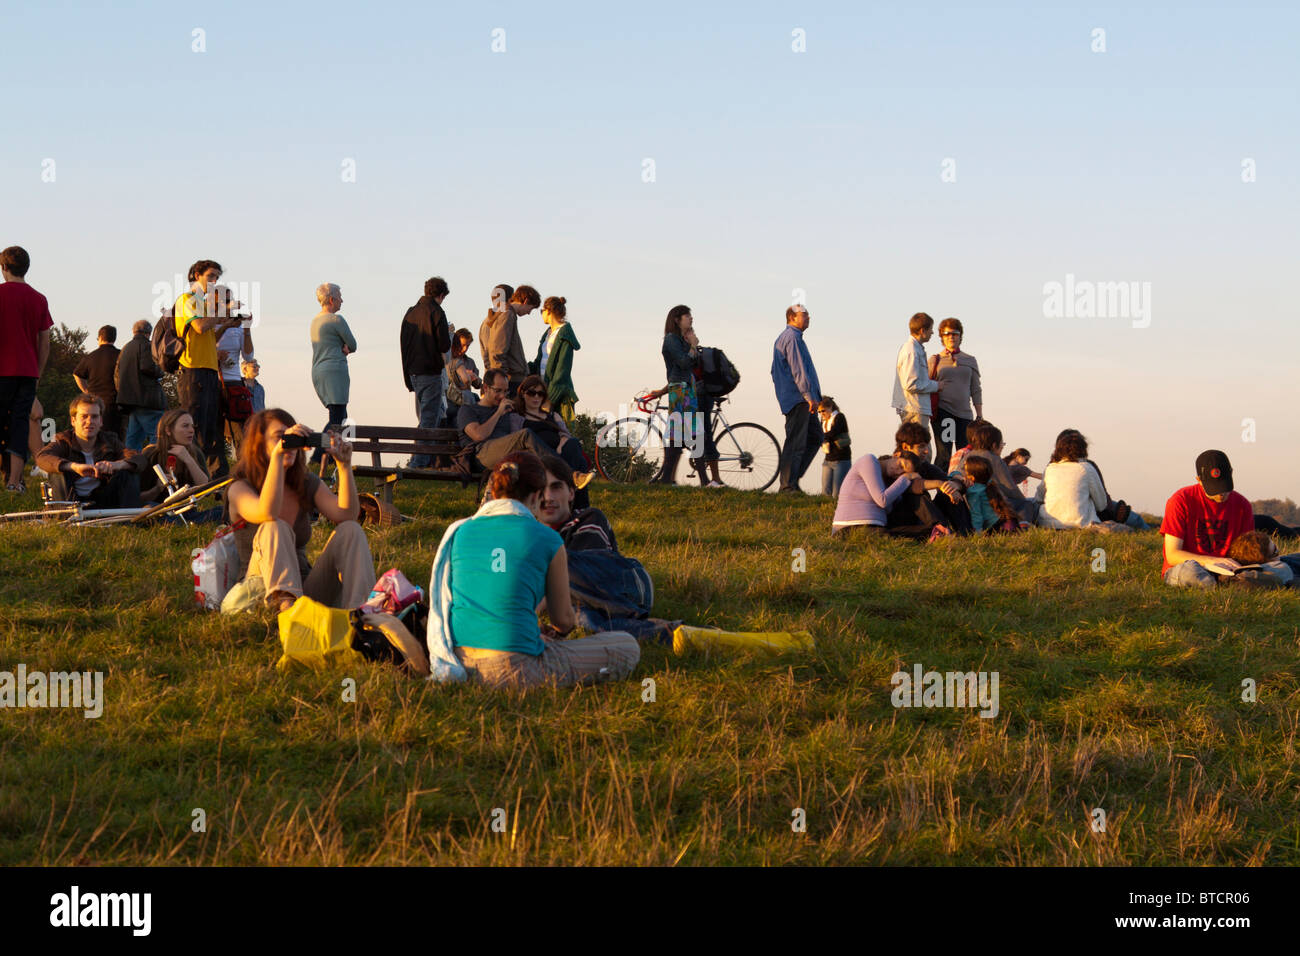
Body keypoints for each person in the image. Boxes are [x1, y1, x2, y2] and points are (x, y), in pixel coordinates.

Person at [432, 450, 640, 689]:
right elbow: (563, 620)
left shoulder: (460, 531)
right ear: (536, 495)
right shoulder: (546, 539)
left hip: (460, 661)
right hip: (513, 668)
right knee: (626, 646)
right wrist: (555, 632)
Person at [226, 409, 377, 613]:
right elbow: (267, 512)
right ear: (259, 445)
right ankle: (290, 617)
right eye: (281, 438)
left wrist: (344, 466)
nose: (289, 444)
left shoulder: (305, 483)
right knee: (275, 526)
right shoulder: (240, 488)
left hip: (305, 588)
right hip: (259, 591)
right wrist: (278, 458)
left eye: (293, 437)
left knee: (351, 530)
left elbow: (346, 515)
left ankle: (361, 615)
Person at [536, 454, 679, 644]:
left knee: (554, 561)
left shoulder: (588, 518)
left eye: (556, 487)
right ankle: (673, 633)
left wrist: (527, 614)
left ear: (571, 493)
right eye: (540, 490)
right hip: (580, 603)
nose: (548, 497)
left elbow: (576, 573)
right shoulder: (532, 536)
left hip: (624, 588)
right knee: (584, 623)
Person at [175, 259, 245, 478]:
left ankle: (213, 479)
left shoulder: (203, 304)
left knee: (209, 430)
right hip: (193, 370)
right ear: (197, 275)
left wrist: (226, 324)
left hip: (207, 371)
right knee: (192, 428)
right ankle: (186, 477)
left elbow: (208, 337)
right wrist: (224, 311)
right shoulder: (188, 299)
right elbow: (199, 325)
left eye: (217, 277)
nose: (214, 281)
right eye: (211, 276)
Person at [1159, 450, 1256, 589]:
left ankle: (1225, 582)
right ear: (1199, 480)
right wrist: (1210, 561)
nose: (1221, 493)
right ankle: (1225, 584)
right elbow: (1172, 555)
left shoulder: (1242, 505)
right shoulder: (1180, 500)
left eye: (1224, 486)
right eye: (1214, 488)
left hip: (1228, 570)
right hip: (1189, 567)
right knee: (1190, 573)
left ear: (1231, 473)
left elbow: (1247, 552)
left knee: (1281, 565)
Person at [0, 245, 53, 493]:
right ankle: (14, 483)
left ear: (4, 268)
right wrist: (38, 373)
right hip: (28, 371)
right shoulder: (39, 299)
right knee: (20, 425)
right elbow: (45, 341)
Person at [36, 393, 142, 507]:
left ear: (101, 421)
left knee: (128, 471)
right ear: (73, 421)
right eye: (84, 416)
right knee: (57, 473)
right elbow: (42, 457)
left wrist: (116, 465)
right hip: (70, 499)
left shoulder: (110, 440)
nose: (89, 421)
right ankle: (66, 517)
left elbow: (138, 458)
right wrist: (73, 467)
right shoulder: (62, 440)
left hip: (103, 499)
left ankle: (127, 519)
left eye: (94, 416)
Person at [515, 373, 594, 507]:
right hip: (538, 456)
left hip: (560, 453)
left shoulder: (553, 415)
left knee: (573, 443)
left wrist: (561, 443)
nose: (536, 397)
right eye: (531, 393)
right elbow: (516, 439)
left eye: (540, 394)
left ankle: (573, 491)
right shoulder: (516, 417)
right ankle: (579, 505)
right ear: (523, 393)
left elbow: (565, 434)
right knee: (580, 461)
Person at [647, 305, 706, 486]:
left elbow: (692, 364)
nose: (691, 319)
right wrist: (693, 347)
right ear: (677, 319)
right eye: (687, 316)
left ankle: (668, 479)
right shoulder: (671, 339)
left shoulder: (680, 340)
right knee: (687, 435)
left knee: (685, 435)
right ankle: (703, 480)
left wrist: (692, 345)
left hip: (687, 389)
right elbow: (682, 363)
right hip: (680, 390)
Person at [879, 421, 971, 536]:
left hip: (922, 517)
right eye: (921, 446)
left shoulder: (924, 466)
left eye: (926, 445)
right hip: (898, 519)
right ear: (905, 447)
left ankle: (966, 533)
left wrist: (955, 485)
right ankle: (940, 530)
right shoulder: (892, 466)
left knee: (947, 493)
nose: (926, 451)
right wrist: (939, 484)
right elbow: (913, 486)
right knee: (915, 492)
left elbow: (946, 480)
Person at [400, 276, 452, 468]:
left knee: (429, 417)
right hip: (430, 372)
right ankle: (418, 463)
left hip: (413, 371)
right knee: (430, 419)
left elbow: (404, 345)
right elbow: (444, 344)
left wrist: (407, 376)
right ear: (441, 295)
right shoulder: (437, 312)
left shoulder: (410, 313)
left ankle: (422, 459)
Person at [457, 368, 550, 470]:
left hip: (507, 452)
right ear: (486, 387)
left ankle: (558, 472)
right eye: (498, 391)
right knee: (525, 435)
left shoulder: (506, 409)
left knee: (532, 454)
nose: (502, 396)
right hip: (480, 455)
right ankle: (561, 471)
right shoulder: (468, 410)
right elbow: (479, 435)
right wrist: (498, 413)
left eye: (505, 391)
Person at [771, 304, 822, 493]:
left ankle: (792, 479)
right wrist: (808, 395)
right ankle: (787, 485)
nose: (809, 317)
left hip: (798, 397)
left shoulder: (792, 338)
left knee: (815, 437)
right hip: (798, 398)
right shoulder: (792, 338)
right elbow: (798, 370)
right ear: (792, 317)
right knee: (796, 442)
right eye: (804, 314)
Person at [310, 282, 358, 465]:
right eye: (339, 297)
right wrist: (345, 347)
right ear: (331, 300)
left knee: (339, 415)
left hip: (319, 370)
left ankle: (329, 456)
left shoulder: (315, 321)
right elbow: (352, 344)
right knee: (337, 418)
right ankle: (318, 455)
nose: (342, 301)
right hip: (335, 370)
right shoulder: (336, 320)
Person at [830, 450, 927, 539]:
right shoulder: (869, 461)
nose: (899, 472)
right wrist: (906, 477)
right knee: (920, 533)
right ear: (896, 455)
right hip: (849, 528)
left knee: (915, 506)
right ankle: (932, 532)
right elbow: (882, 500)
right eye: (901, 466)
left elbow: (890, 510)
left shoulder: (888, 482)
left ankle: (936, 526)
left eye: (903, 473)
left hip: (874, 527)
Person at [927, 317, 981, 472]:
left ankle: (961, 490)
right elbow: (926, 385)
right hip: (944, 413)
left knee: (965, 454)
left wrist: (979, 415)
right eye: (947, 334)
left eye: (955, 333)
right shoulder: (935, 360)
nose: (951, 337)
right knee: (945, 454)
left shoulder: (970, 360)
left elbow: (976, 388)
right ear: (942, 337)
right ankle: (941, 492)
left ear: (960, 336)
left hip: (965, 415)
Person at [958, 420, 1035, 526]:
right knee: (1027, 504)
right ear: (994, 445)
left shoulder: (967, 457)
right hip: (991, 507)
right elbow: (1010, 488)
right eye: (1001, 443)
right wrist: (1023, 500)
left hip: (968, 507)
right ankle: (1023, 524)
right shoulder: (995, 459)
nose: (1003, 446)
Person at [891, 312, 943, 447]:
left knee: (920, 450)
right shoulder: (911, 350)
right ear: (922, 330)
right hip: (914, 408)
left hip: (915, 407)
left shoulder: (914, 348)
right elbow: (910, 383)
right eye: (931, 329)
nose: (932, 333)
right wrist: (936, 386)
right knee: (920, 451)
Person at [480, 284, 540, 398]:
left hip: (502, 379)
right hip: (510, 381)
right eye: (530, 308)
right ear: (525, 300)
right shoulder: (507, 315)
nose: (529, 313)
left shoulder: (493, 318)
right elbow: (497, 351)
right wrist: (502, 382)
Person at [114, 319, 165, 452]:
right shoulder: (147, 346)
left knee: (132, 440)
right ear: (149, 333)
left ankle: (131, 467)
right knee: (159, 435)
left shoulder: (125, 348)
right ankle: (154, 464)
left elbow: (117, 373)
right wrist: (161, 370)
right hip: (146, 399)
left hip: (129, 400)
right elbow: (147, 367)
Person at [138, 409, 209, 504]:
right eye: (185, 426)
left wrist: (189, 460)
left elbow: (206, 489)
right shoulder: (151, 454)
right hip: (157, 510)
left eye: (192, 426)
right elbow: (137, 498)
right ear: (168, 430)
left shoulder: (194, 453)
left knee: (221, 511)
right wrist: (157, 489)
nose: (191, 430)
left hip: (186, 510)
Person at [215, 286, 255, 453]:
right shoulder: (207, 324)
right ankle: (219, 473)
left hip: (233, 382)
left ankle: (243, 472)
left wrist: (246, 330)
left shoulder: (237, 327)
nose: (228, 304)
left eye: (229, 300)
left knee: (241, 434)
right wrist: (214, 354)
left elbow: (248, 356)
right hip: (214, 381)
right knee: (214, 434)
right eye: (224, 301)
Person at [530, 295, 580, 424]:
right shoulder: (547, 334)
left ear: (549, 311)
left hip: (559, 396)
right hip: (542, 391)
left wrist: (549, 400)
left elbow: (562, 371)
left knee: (562, 432)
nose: (541, 314)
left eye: (542, 311)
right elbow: (538, 363)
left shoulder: (564, 334)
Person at [73, 326, 122, 437]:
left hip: (95, 403)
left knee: (95, 436)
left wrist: (86, 391)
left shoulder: (91, 356)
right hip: (115, 403)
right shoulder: (120, 355)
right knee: (114, 437)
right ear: (114, 338)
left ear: (99, 337)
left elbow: (77, 374)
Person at [963, 457, 1020, 533]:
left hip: (997, 527)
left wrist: (977, 533)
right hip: (1010, 521)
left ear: (972, 477)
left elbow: (976, 514)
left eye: (964, 469)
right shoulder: (989, 483)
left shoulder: (973, 491)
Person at [445, 328, 482, 423]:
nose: (465, 349)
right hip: (450, 400)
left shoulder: (470, 362)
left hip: (465, 401)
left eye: (468, 346)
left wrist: (475, 378)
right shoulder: (447, 360)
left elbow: (478, 385)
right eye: (462, 345)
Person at [818, 398, 852, 496]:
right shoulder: (823, 422)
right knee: (825, 491)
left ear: (830, 407)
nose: (821, 413)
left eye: (823, 410)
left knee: (837, 493)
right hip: (828, 459)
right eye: (819, 412)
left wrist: (821, 437)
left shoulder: (839, 417)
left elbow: (833, 432)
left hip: (841, 459)